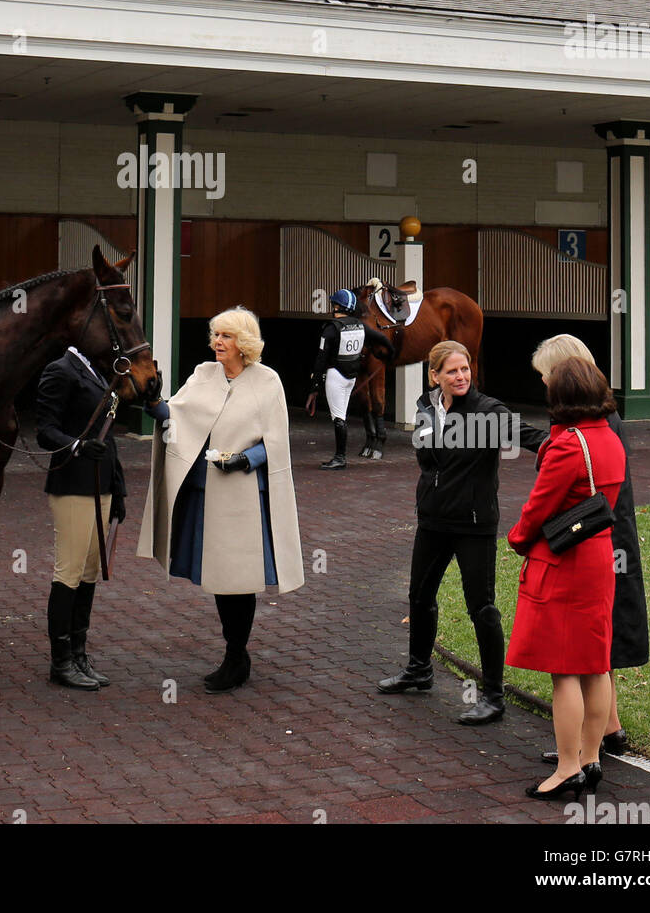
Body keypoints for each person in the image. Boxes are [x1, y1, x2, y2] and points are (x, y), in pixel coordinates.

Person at [138, 307, 304, 693]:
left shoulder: (268, 382)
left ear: (243, 343)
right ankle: (236, 653)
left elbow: (276, 442)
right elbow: (175, 418)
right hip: (203, 491)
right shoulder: (203, 375)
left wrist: (247, 459)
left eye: (226, 337)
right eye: (216, 335)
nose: (217, 342)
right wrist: (151, 401)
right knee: (217, 578)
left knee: (239, 579)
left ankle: (236, 654)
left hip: (243, 494)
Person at [378, 339, 543, 723]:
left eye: (465, 368)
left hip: (474, 525)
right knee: (419, 596)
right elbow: (427, 460)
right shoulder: (425, 407)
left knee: (481, 608)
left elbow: (530, 435)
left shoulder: (488, 411)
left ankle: (493, 697)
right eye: (452, 371)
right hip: (433, 521)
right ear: (435, 375)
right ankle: (419, 670)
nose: (461, 376)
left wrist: (566, 447)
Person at [506, 357, 625, 799]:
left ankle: (568, 766)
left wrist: (518, 540)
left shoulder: (568, 446)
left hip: (565, 561)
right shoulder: (610, 438)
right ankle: (591, 758)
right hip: (599, 557)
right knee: (595, 665)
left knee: (564, 671)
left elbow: (538, 508)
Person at [529, 335, 647, 765]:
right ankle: (608, 730)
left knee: (586, 651)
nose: (544, 386)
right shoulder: (603, 419)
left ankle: (582, 750)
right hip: (610, 534)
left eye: (547, 378)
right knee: (601, 644)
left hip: (595, 539)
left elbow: (554, 496)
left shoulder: (589, 428)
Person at [36, 346, 128, 690]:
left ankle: (78, 654)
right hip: (73, 482)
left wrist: (118, 489)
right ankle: (60, 662)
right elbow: (45, 429)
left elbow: (110, 437)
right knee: (70, 571)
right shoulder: (60, 369)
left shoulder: (99, 371)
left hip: (101, 482)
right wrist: (77, 446)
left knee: (90, 571)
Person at [307, 288, 395, 469]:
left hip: (336, 376)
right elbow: (382, 339)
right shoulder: (360, 326)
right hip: (351, 377)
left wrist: (315, 385)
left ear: (338, 306)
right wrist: (390, 354)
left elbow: (321, 358)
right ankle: (340, 457)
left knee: (338, 418)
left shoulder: (331, 329)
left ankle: (340, 457)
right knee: (341, 415)